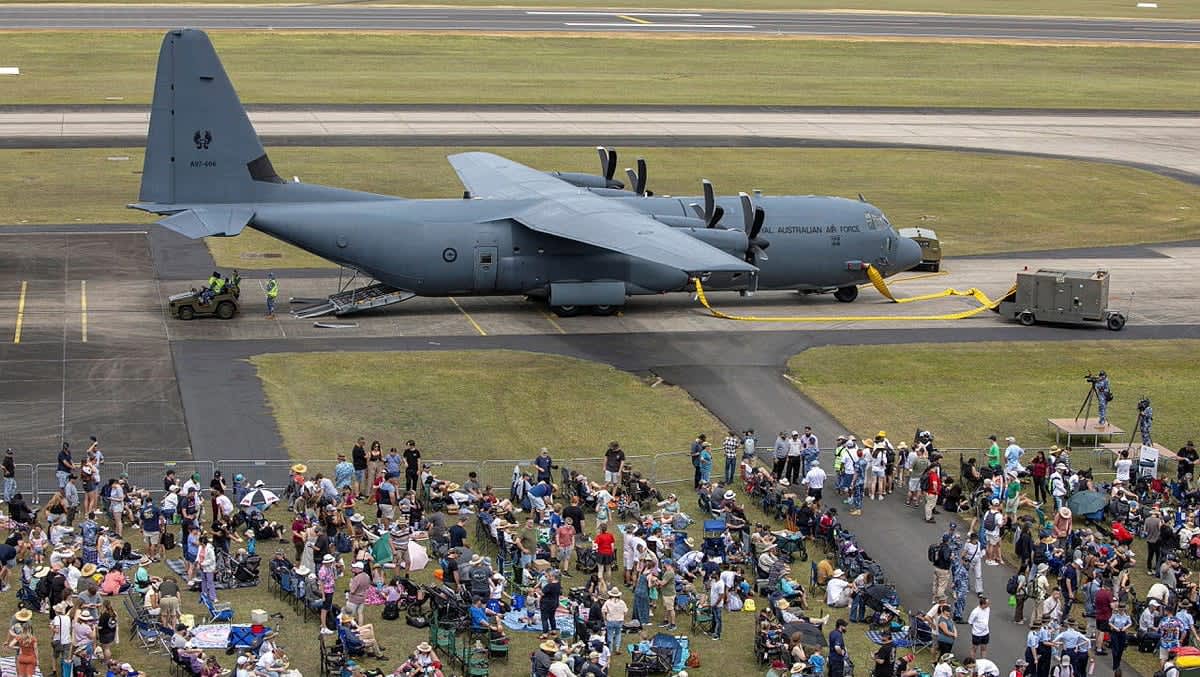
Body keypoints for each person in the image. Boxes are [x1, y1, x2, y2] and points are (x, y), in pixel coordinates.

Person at [601, 587, 627, 656]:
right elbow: (625, 611)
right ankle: (617, 648)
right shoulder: (622, 602)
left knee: (610, 635)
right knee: (618, 634)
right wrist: (623, 617)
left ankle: (610, 649)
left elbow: (603, 611)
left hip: (610, 620)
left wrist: (605, 619)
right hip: (619, 620)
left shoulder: (608, 602)